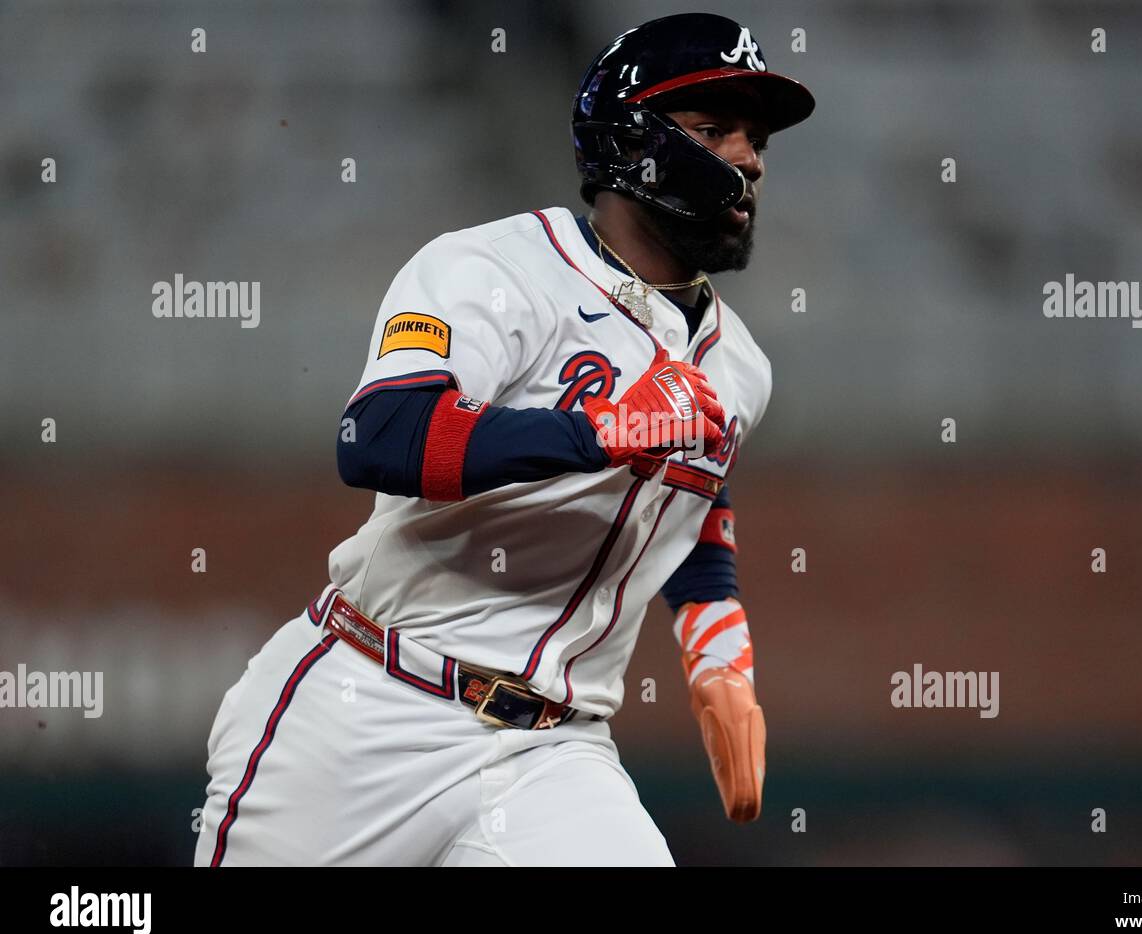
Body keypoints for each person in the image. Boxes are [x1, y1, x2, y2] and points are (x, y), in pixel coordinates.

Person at [195, 12, 815, 867]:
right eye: (714, 131)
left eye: (757, 140)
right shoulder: (493, 268)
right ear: (631, 141)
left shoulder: (741, 365)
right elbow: (377, 435)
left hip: (552, 750)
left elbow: (694, 500)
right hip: (369, 702)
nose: (748, 160)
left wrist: (716, 653)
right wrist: (600, 430)